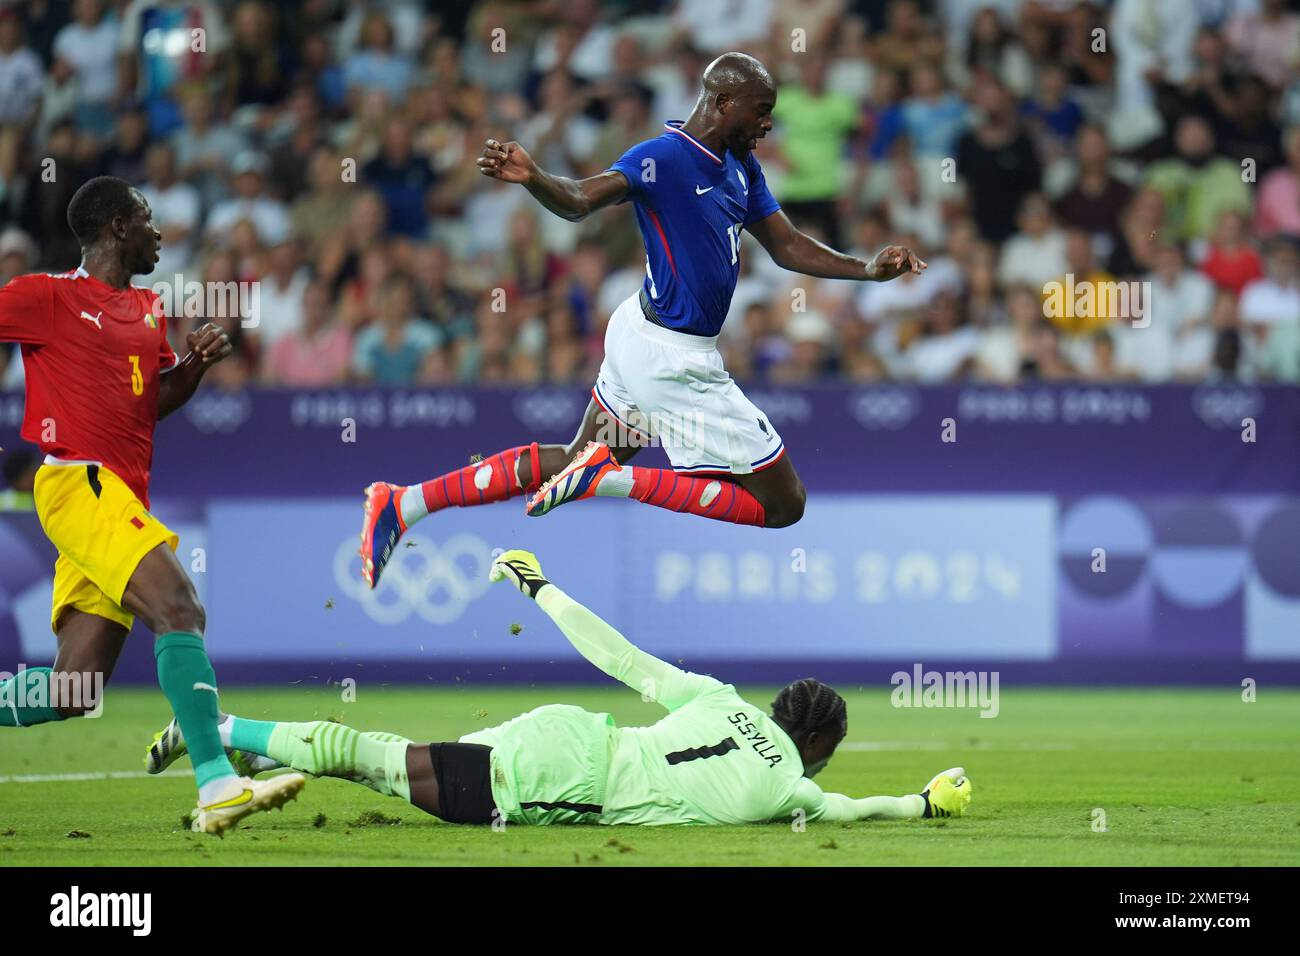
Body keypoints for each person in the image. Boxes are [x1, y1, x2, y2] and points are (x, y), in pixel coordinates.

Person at [358, 52, 924, 589]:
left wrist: (868, 270)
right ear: (724, 101)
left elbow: (787, 246)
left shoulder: (740, 167)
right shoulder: (665, 158)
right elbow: (580, 199)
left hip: (639, 334)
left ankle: (405, 503)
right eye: (761, 110)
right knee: (785, 505)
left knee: (575, 460)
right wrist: (534, 178)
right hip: (675, 363)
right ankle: (613, 480)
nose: (768, 124)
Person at [145, 550, 973, 828]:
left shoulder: (720, 698)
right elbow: (867, 810)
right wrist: (926, 804)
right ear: (819, 744)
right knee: (367, 761)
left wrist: (544, 592)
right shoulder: (787, 787)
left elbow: (622, 657)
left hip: (570, 730)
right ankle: (218, 738)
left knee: (376, 758)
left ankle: (212, 729)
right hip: (563, 785)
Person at [0, 176, 305, 834]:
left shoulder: (146, 310)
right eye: (146, 219)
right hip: (77, 482)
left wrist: (190, 369)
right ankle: (219, 784)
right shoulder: (45, 298)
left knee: (72, 690)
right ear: (116, 228)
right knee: (179, 606)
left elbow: (151, 404)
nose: (159, 232)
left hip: (116, 497)